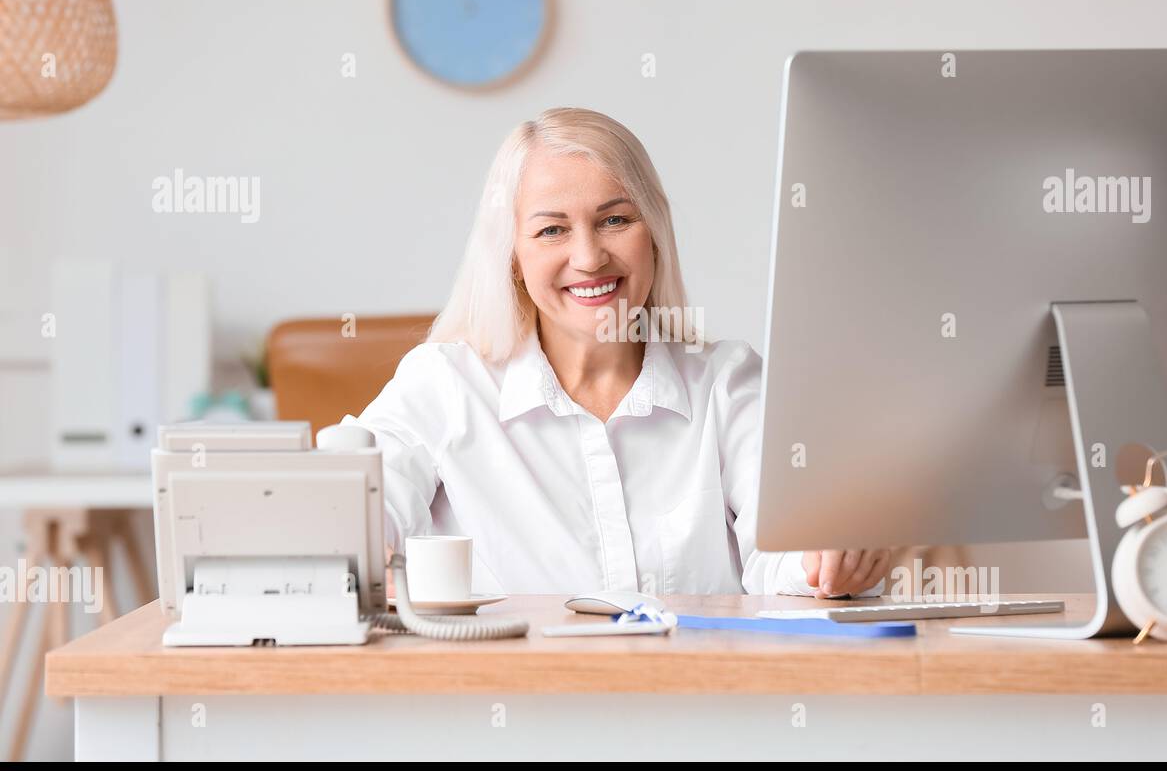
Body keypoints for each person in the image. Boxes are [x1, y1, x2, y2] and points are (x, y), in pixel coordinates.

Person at [339, 107, 889, 598]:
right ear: (512, 257)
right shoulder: (445, 383)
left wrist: (826, 561)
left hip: (703, 702)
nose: (588, 257)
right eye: (552, 230)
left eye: (615, 220)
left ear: (654, 233)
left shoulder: (725, 381)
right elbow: (351, 514)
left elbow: (782, 553)